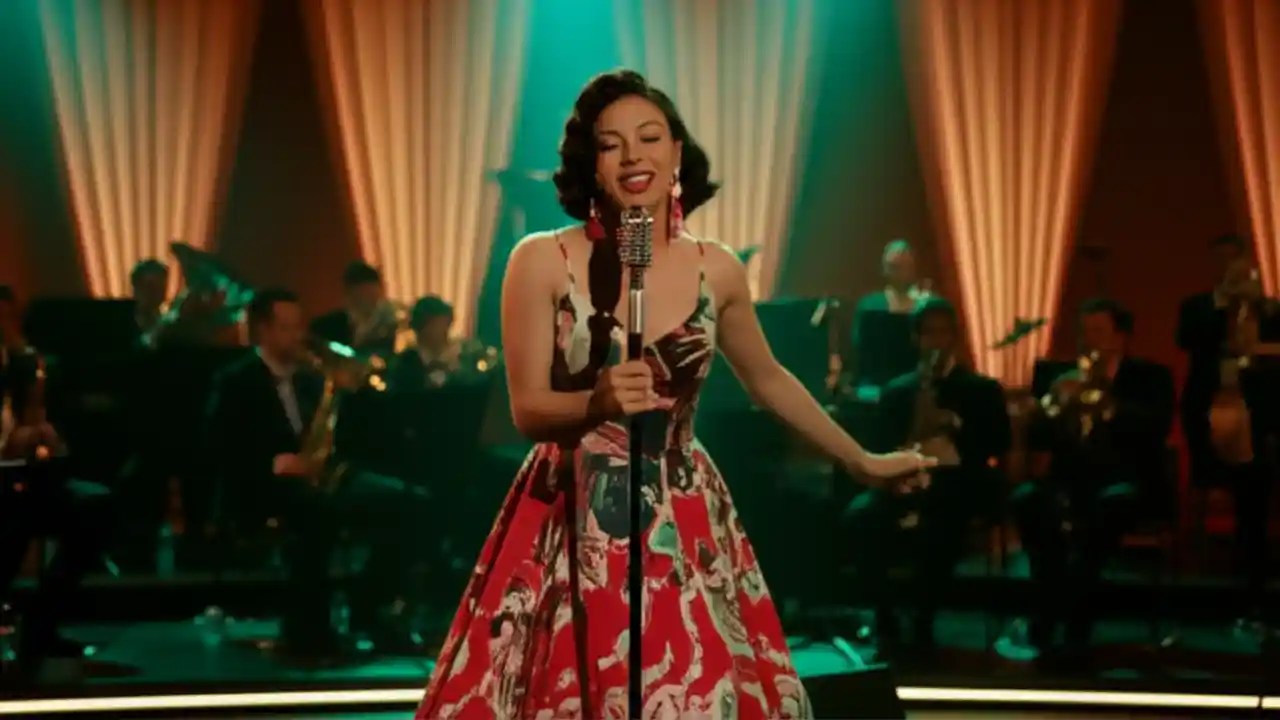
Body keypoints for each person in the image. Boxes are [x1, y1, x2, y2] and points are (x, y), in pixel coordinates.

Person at [416, 69, 933, 720]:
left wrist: (863, 460)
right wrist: (595, 402)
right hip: (579, 507)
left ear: (677, 154)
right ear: (591, 164)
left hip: (681, 507)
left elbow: (769, 378)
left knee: (696, 692)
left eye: (650, 137)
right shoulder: (541, 260)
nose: (634, 156)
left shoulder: (715, 267)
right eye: (612, 144)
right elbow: (528, 410)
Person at [205, 288, 420, 656]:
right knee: (317, 512)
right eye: (286, 327)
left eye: (298, 326)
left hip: (319, 479)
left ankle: (368, 606)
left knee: (408, 502)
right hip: (263, 486)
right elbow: (220, 449)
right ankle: (309, 628)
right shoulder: (235, 381)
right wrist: (277, 462)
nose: (298, 336)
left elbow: (345, 436)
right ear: (263, 331)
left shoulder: (312, 378)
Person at [843, 296, 1009, 659]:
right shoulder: (898, 390)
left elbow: (999, 444)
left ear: (954, 337)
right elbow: (876, 447)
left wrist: (957, 426)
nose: (936, 340)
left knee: (941, 519)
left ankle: (923, 621)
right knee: (860, 516)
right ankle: (885, 619)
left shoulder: (981, 389)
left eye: (943, 333)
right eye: (928, 333)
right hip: (904, 479)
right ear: (917, 339)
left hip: (958, 483)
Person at [1015, 298, 1174, 665]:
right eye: (1085, 333)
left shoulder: (1151, 377)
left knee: (1105, 510)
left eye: (1099, 332)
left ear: (1121, 338)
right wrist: (1050, 403)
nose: (1090, 341)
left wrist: (1109, 406)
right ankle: (1048, 606)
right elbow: (1039, 436)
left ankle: (1074, 624)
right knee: (1027, 500)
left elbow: (1156, 426)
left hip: (1126, 481)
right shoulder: (1059, 375)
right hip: (1068, 482)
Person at [1176, 233, 1280, 622]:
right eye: (1223, 264)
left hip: (1263, 419)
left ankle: (1255, 573)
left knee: (1257, 479)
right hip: (1211, 418)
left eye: (1238, 265)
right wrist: (1224, 303)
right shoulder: (1198, 307)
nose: (1232, 272)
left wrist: (1260, 308)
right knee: (1246, 481)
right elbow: (1187, 339)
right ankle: (1246, 578)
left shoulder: (1269, 310)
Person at [311, 261, 402, 359]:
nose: (370, 301)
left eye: (374, 297)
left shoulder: (393, 327)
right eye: (365, 295)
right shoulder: (324, 329)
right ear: (349, 295)